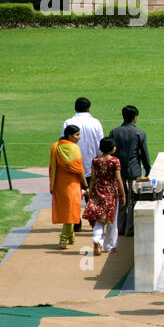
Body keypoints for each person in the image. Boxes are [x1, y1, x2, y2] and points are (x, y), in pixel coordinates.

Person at [109, 105, 151, 237]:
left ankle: (120, 228)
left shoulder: (114, 132)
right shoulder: (139, 133)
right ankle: (130, 229)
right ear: (135, 117)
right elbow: (144, 154)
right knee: (133, 200)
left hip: (118, 170)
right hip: (134, 170)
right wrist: (148, 169)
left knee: (121, 198)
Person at [64, 97, 103, 231]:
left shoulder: (68, 122)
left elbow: (65, 145)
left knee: (74, 196)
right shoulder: (96, 123)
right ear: (89, 108)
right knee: (92, 195)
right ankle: (93, 222)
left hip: (73, 167)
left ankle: (76, 223)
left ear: (75, 108)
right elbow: (100, 145)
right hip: (91, 165)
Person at [83, 137, 125, 256]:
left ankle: (97, 239)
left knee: (99, 220)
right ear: (112, 149)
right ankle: (109, 246)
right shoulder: (115, 161)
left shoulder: (96, 161)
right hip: (111, 194)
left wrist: (90, 193)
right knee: (112, 221)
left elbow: (93, 179)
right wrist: (123, 194)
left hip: (97, 192)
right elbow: (118, 178)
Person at [49, 125, 88, 250]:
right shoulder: (73, 148)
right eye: (77, 135)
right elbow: (79, 169)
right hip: (71, 184)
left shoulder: (56, 146)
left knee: (70, 210)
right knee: (70, 211)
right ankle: (63, 239)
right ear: (69, 136)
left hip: (59, 184)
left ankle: (71, 236)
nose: (79, 137)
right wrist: (85, 185)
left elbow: (51, 167)